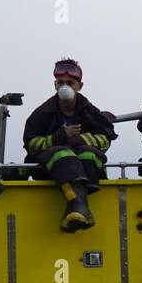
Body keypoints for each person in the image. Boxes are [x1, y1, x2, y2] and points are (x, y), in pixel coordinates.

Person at [22, 58, 116, 232]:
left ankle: (78, 210)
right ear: (55, 85)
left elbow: (106, 137)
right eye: (61, 82)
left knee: (87, 153)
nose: (65, 87)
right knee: (62, 153)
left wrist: (83, 140)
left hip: (87, 170)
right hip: (49, 170)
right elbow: (31, 144)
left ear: (80, 86)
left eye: (70, 83)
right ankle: (78, 209)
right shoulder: (42, 113)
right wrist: (58, 137)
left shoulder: (90, 112)